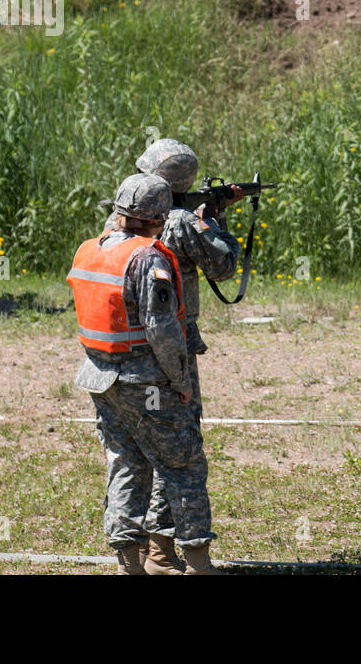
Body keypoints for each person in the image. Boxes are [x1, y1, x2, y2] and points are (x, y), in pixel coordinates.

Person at [105, 138, 243, 574]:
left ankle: (152, 552)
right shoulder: (182, 221)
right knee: (179, 451)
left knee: (137, 455)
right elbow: (223, 266)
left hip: (123, 349)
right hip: (170, 346)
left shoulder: (121, 217)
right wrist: (216, 223)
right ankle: (167, 553)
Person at [71, 172, 219, 574]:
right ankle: (199, 565)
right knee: (183, 466)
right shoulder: (149, 257)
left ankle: (129, 566)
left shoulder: (90, 250)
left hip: (101, 379)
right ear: (160, 216)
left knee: (125, 464)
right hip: (148, 384)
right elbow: (163, 330)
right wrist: (181, 381)